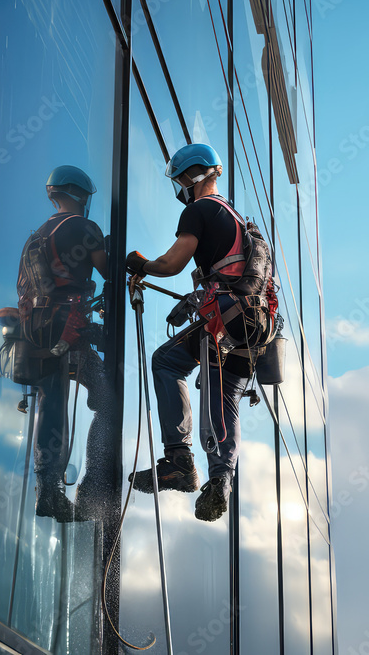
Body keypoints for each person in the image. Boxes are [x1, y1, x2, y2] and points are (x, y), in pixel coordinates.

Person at [125, 144, 275, 522]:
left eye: (180, 181)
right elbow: (231, 274)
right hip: (252, 328)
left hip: (225, 323)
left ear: (191, 177)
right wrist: (195, 301)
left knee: (166, 362)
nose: (180, 189)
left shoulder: (199, 209)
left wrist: (138, 263)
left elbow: (172, 263)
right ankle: (220, 480)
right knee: (225, 400)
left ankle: (179, 459)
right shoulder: (237, 219)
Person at [18, 165, 110, 522]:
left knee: (51, 401)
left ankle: (48, 488)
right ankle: (90, 489)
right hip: (67, 330)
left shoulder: (36, 235)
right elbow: (109, 271)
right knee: (107, 402)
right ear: (82, 196)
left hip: (35, 332)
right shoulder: (84, 228)